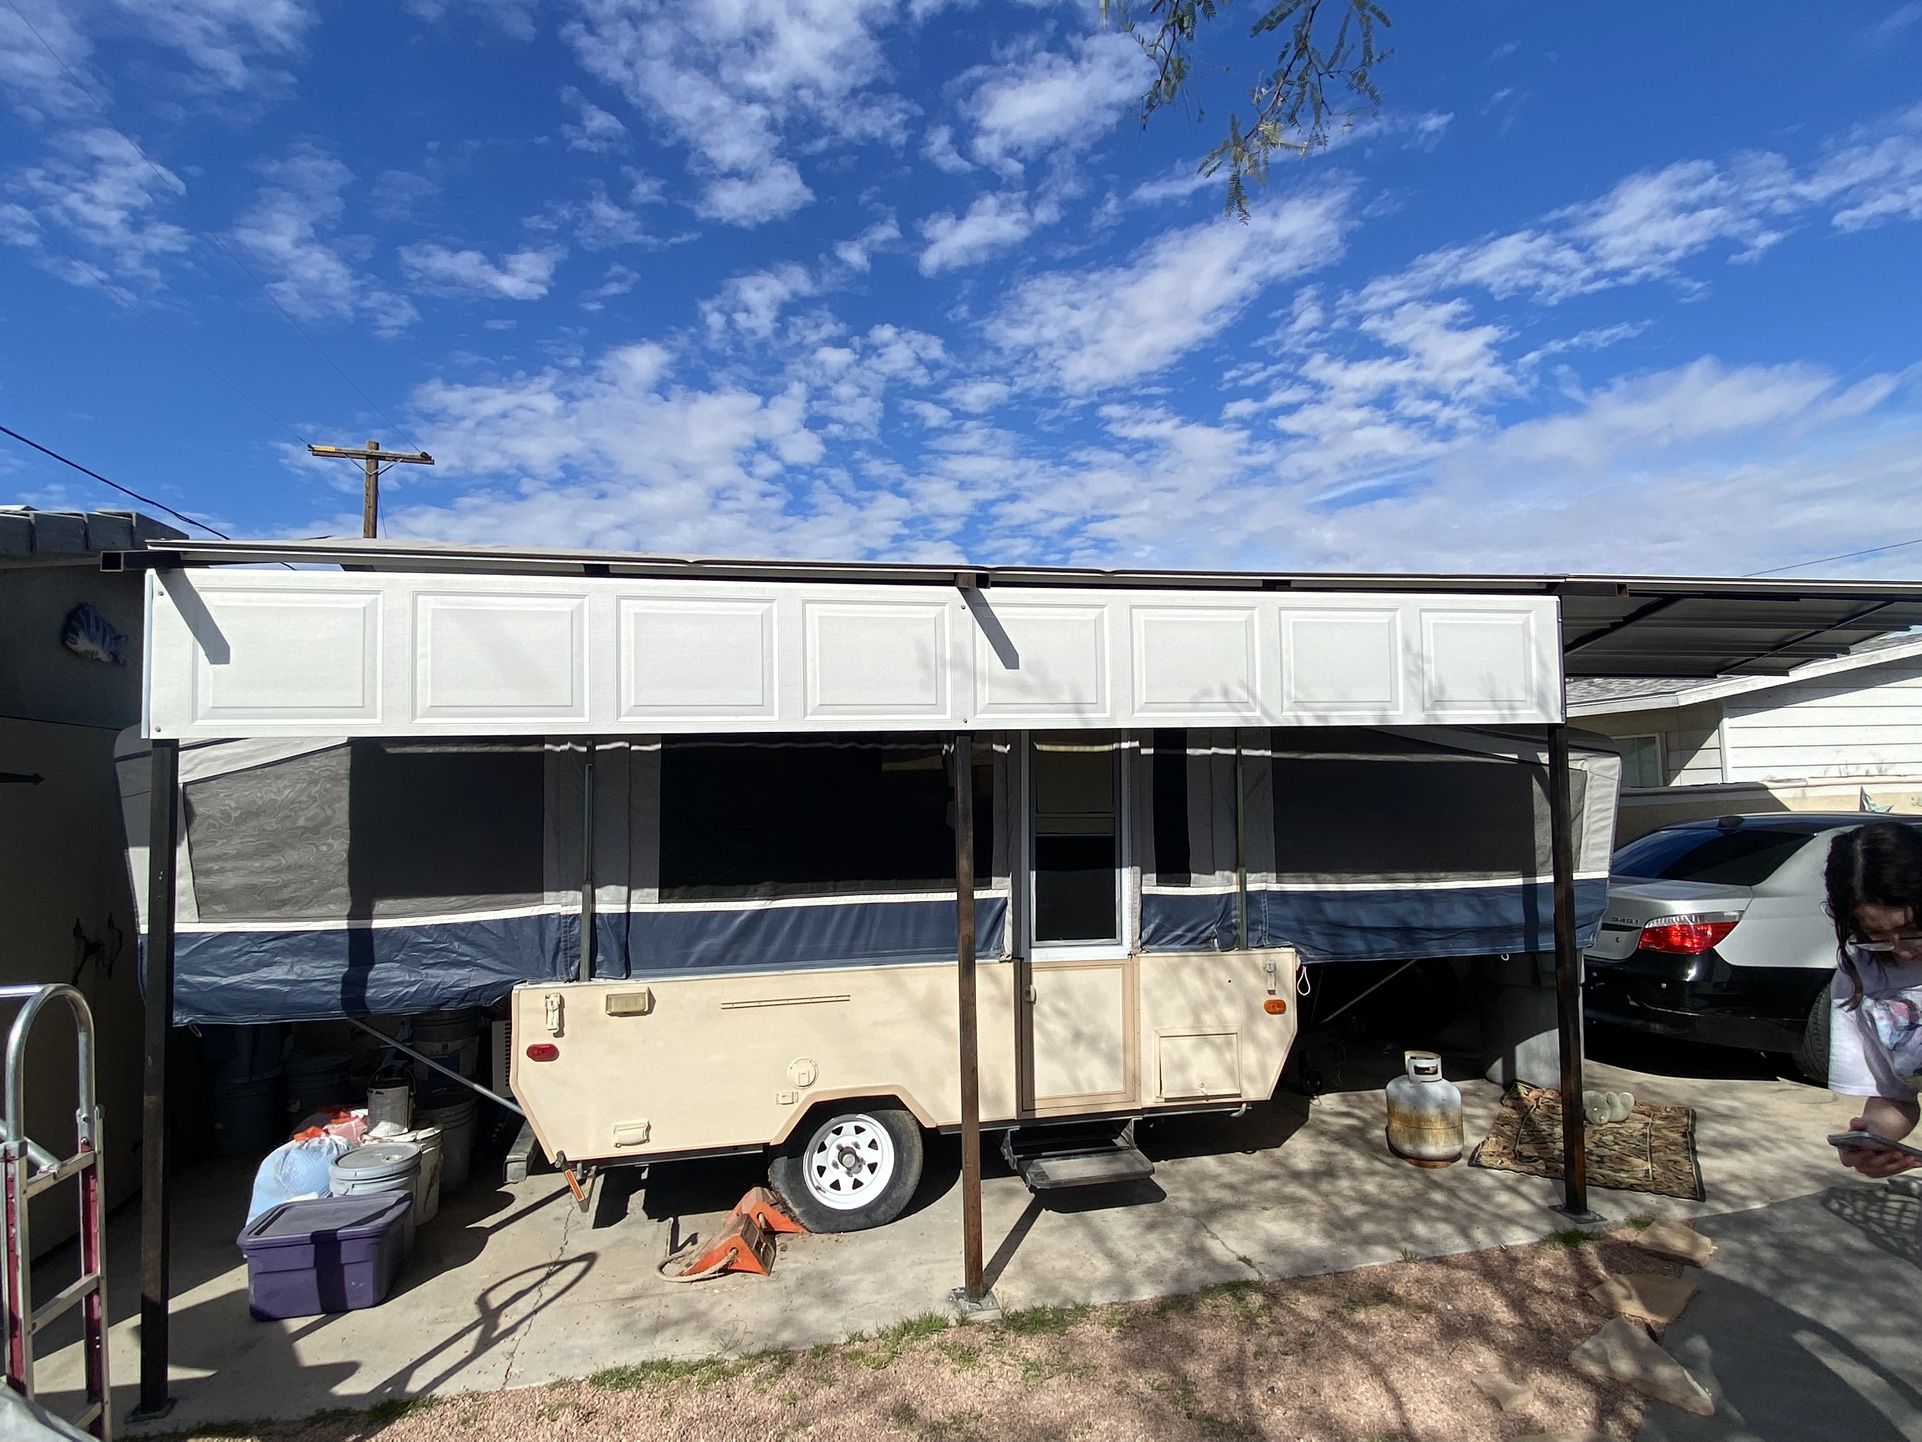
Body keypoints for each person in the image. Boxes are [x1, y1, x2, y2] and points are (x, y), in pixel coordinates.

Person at [1824, 821, 1922, 1178]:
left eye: (1914, 932)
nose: (1902, 951)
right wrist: (1876, 1139)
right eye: (1878, 935)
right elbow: (1895, 1094)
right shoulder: (1861, 973)